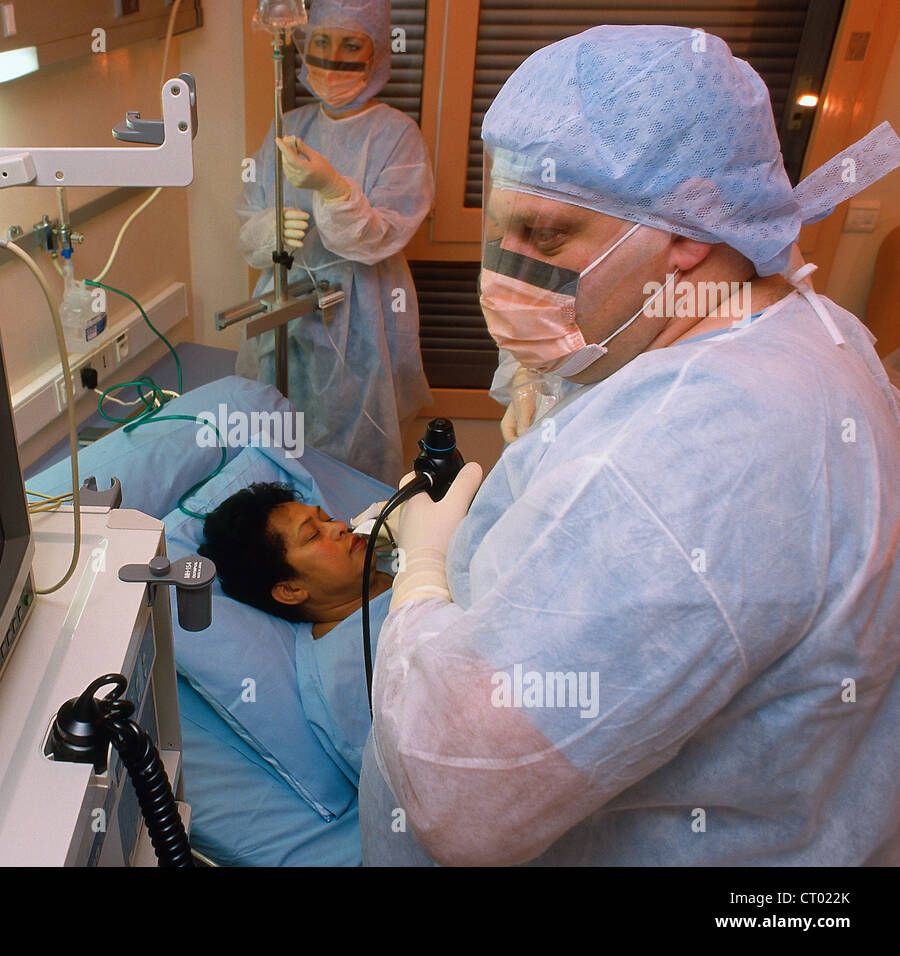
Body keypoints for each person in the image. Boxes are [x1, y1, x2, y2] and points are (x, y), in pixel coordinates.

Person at [361, 25, 900, 865]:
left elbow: (460, 795)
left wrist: (423, 572)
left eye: (545, 237)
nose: (506, 277)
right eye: (502, 230)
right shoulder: (816, 332)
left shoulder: (685, 460)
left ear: (687, 232)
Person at [236, 0, 434, 486]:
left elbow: (382, 235)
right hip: (286, 310)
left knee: (358, 452)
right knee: (275, 443)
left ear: (377, 54)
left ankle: (359, 545)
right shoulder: (289, 127)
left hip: (363, 315)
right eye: (322, 41)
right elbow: (248, 219)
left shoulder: (397, 136)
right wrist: (268, 231)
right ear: (304, 45)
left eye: (352, 44)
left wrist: (333, 188)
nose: (333, 57)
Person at [198, 482, 391, 638]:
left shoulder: (393, 552)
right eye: (313, 535)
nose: (340, 526)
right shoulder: (357, 660)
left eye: (328, 519)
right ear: (290, 590)